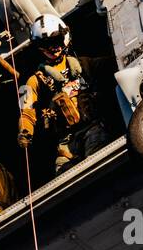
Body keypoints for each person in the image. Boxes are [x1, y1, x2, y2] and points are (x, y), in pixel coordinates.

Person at [17, 13, 111, 173]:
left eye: (56, 41)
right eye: (47, 44)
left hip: (92, 128)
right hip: (66, 140)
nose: (53, 48)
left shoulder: (84, 64)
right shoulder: (35, 81)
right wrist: (25, 131)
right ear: (40, 47)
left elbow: (111, 63)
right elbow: (26, 111)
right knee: (64, 174)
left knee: (98, 163)